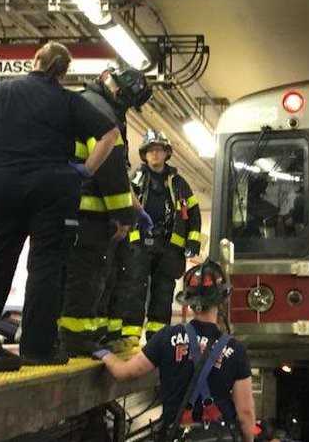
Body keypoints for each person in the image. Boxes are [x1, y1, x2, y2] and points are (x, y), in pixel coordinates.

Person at [0, 42, 122, 365]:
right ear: (63, 72)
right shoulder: (68, 100)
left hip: (4, 186)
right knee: (45, 266)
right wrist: (86, 169)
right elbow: (110, 134)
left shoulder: (1, 93)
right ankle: (38, 348)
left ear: (35, 61)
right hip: (53, 188)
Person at [94, 260, 255, 442]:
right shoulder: (235, 350)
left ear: (189, 302)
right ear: (223, 298)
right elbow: (245, 413)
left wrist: (101, 352)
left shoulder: (166, 337)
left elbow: (124, 372)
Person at [58, 66, 152, 355]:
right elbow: (110, 172)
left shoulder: (88, 102)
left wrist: (136, 208)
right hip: (88, 213)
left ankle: (84, 337)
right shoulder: (102, 113)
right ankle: (77, 342)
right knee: (86, 277)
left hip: (73, 209)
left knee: (84, 275)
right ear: (121, 93)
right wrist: (124, 216)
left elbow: (119, 174)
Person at [111, 130, 203, 350]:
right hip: (139, 243)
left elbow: (194, 213)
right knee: (134, 288)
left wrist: (192, 242)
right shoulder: (136, 178)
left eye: (159, 150)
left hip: (169, 247)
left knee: (163, 292)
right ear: (144, 154)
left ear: (166, 153)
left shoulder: (179, 183)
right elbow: (123, 205)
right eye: (150, 150)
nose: (155, 154)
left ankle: (158, 338)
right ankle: (130, 336)